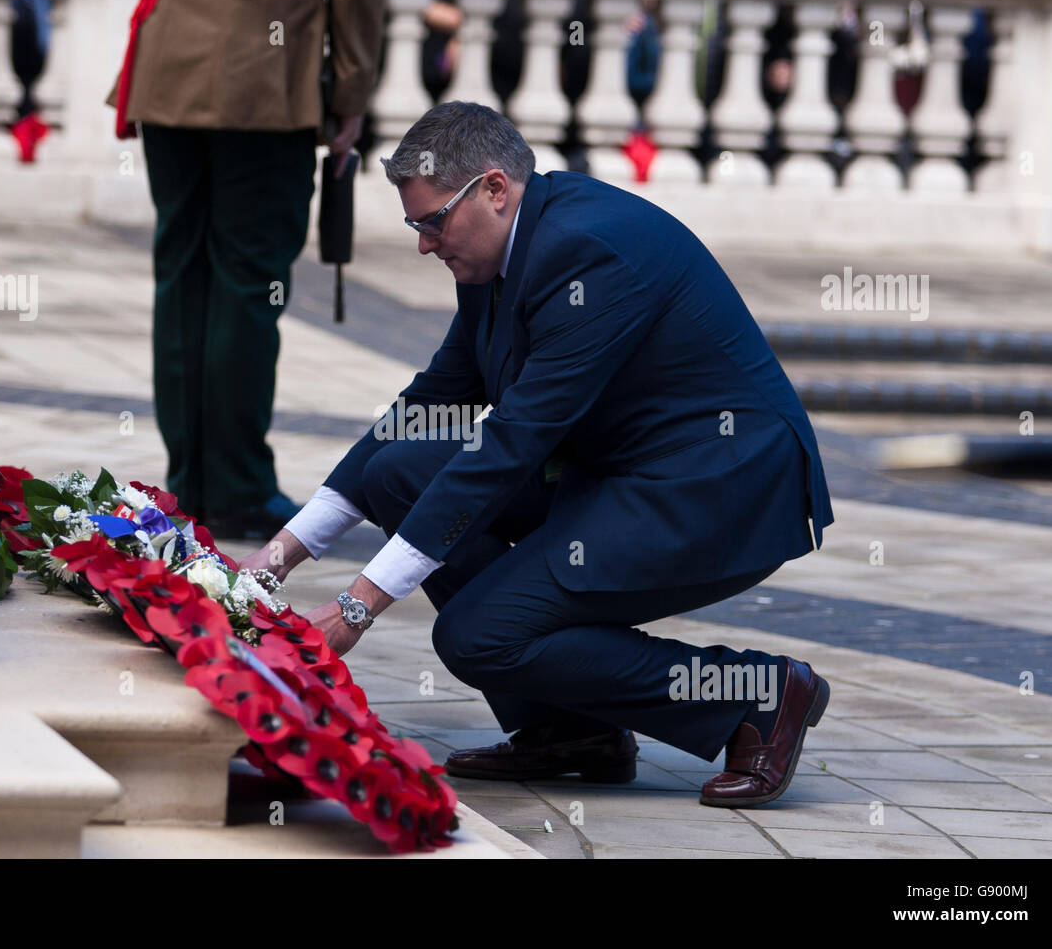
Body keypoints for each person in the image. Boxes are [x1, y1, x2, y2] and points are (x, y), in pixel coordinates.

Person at [239, 102, 836, 807]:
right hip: (620, 467)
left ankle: (756, 698)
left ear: (495, 188)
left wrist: (357, 606)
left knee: (478, 636)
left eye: (432, 222)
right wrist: (273, 561)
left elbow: (512, 441)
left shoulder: (590, 251)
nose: (424, 245)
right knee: (397, 470)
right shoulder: (501, 251)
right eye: (415, 225)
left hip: (716, 488)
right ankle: (571, 734)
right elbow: (428, 404)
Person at [106, 0, 386, 539]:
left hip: (169, 64)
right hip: (263, 80)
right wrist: (352, 93)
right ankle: (237, 488)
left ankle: (191, 483)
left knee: (184, 279)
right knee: (249, 284)